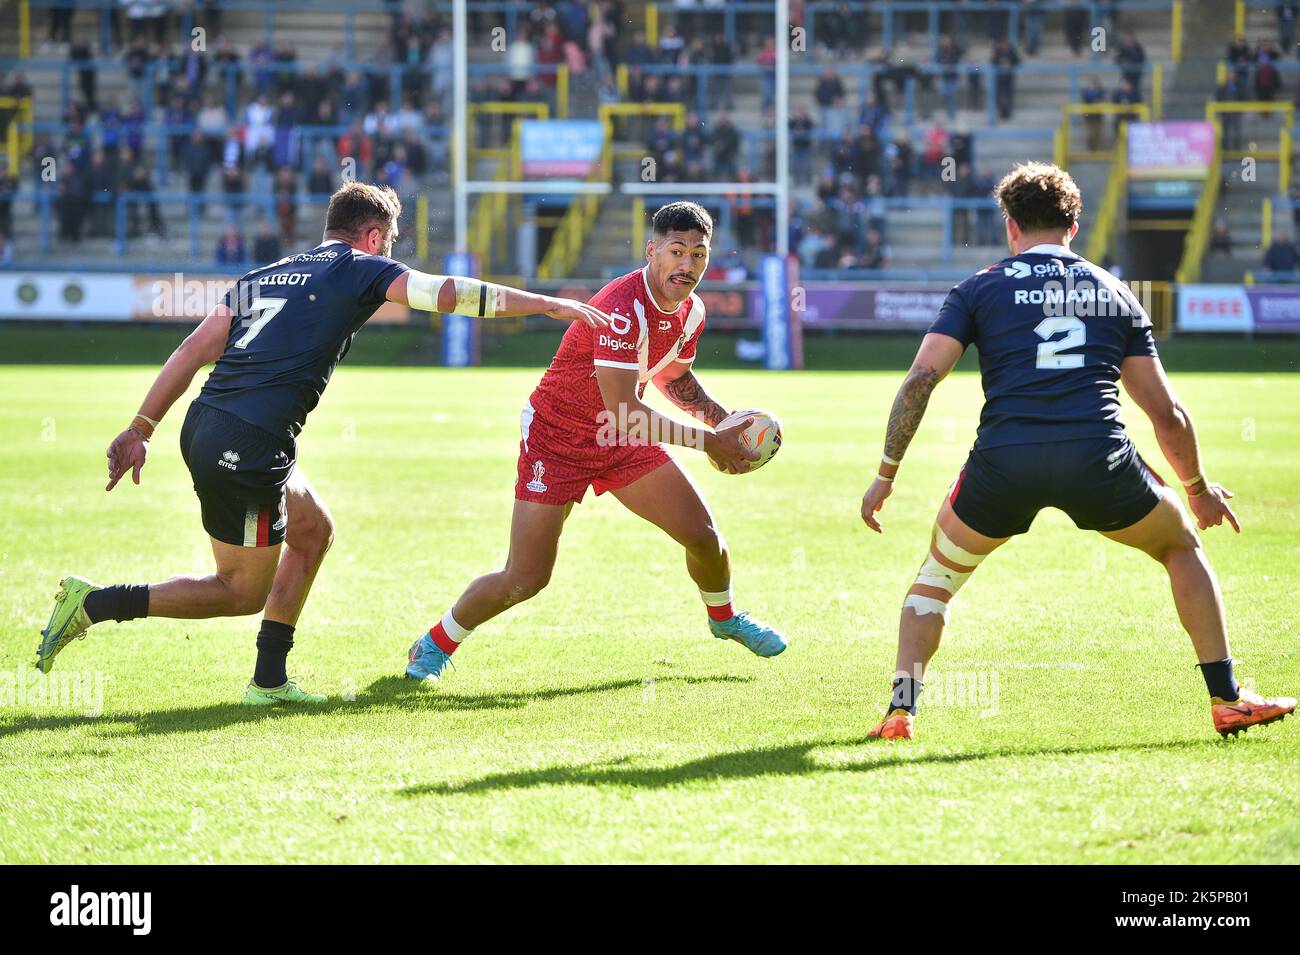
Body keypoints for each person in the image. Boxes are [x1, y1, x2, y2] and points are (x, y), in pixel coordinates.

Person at [36, 182, 611, 704]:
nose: (389, 255)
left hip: (213, 421)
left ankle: (269, 682)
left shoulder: (266, 275)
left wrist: (140, 428)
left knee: (314, 530)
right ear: (373, 236)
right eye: (388, 244)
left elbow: (191, 351)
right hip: (249, 441)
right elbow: (444, 292)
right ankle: (95, 605)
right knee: (239, 591)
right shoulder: (359, 266)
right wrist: (544, 303)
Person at [858, 162, 1295, 741]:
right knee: (1180, 545)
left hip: (1003, 463)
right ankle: (1226, 697)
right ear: (1074, 224)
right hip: (1099, 459)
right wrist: (1197, 489)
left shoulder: (979, 287)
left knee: (934, 581)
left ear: (1010, 225)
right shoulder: (1114, 291)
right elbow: (1167, 414)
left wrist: (886, 474)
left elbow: (919, 382)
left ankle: (901, 711)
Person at [404, 202, 787, 685]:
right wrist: (710, 442)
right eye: (676, 251)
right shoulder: (624, 309)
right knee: (526, 578)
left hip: (621, 439)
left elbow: (673, 376)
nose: (687, 265)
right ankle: (434, 644)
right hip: (557, 438)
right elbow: (624, 410)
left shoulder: (691, 311)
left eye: (698, 253)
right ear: (653, 251)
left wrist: (723, 420)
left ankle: (724, 617)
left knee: (704, 538)